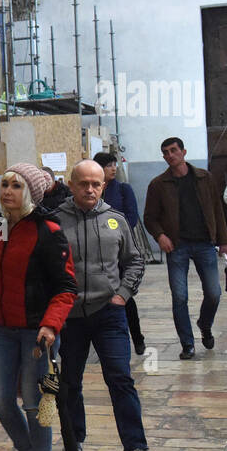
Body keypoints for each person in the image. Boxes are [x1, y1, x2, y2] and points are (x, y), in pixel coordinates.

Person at [0, 163, 77, 451]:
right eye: (4, 184)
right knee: (1, 397)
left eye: (15, 186)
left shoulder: (49, 231)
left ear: (31, 193)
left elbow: (66, 287)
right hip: (1, 329)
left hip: (37, 333)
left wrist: (51, 324)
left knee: (38, 406)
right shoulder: (0, 225)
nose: (7, 191)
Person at [55, 162, 162, 451]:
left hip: (109, 315)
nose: (90, 189)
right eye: (84, 183)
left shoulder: (115, 221)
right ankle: (73, 440)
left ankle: (136, 449)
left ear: (103, 186)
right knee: (70, 381)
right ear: (72, 185)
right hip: (71, 317)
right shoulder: (55, 222)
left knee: (120, 378)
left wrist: (122, 296)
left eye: (96, 184)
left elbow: (135, 261)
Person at [143, 138, 227, 361]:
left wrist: (224, 240)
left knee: (214, 293)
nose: (170, 155)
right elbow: (150, 217)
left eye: (174, 150)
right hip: (177, 246)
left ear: (183, 151)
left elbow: (217, 210)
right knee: (179, 297)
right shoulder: (158, 184)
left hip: (205, 243)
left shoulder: (204, 178)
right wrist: (160, 235)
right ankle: (187, 343)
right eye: (165, 152)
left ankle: (205, 323)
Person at [94, 151, 146, 355]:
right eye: (108, 165)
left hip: (119, 250)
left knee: (124, 296)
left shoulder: (123, 190)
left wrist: (111, 230)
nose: (113, 168)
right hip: (96, 253)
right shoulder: (94, 191)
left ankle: (137, 337)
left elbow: (131, 218)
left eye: (114, 164)